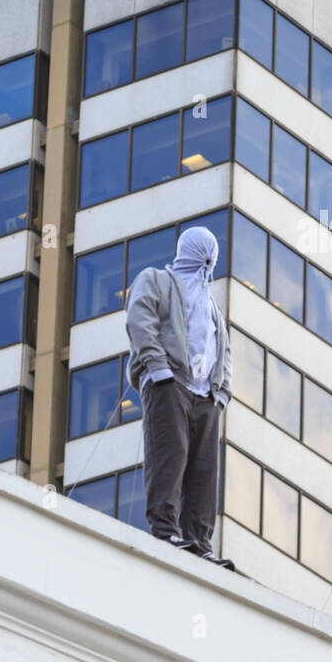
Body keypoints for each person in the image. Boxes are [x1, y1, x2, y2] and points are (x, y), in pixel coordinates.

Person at [126, 227, 234, 567]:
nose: (209, 262)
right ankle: (165, 528)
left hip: (206, 395)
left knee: (204, 470)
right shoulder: (157, 280)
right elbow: (139, 319)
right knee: (169, 455)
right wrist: (158, 368)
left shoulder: (211, 303)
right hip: (169, 382)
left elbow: (223, 347)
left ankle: (199, 541)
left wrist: (222, 392)